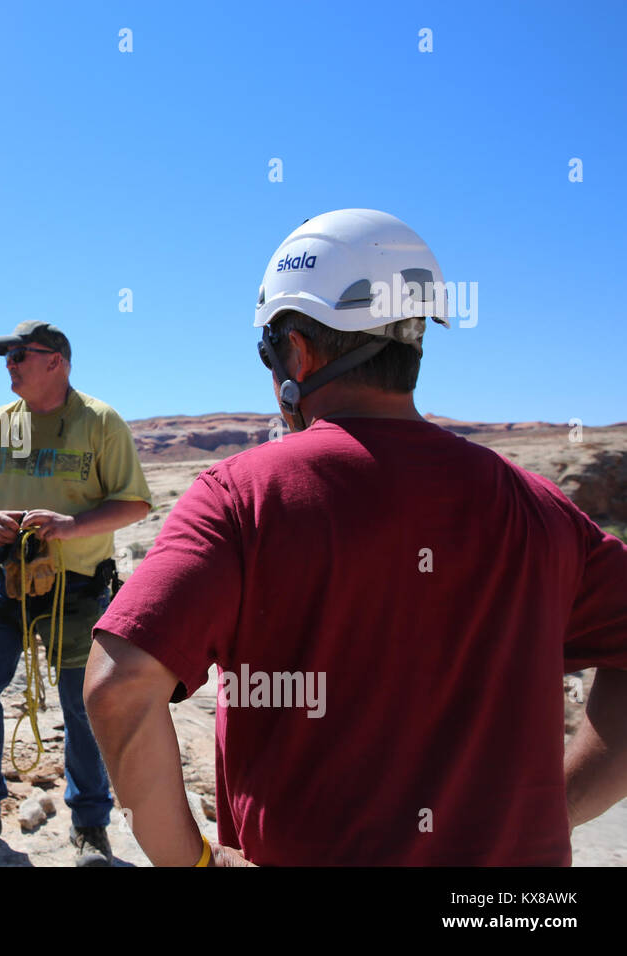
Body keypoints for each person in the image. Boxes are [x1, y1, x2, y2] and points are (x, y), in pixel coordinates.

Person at [84, 208, 627, 866]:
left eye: (268, 351)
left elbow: (118, 684)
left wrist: (193, 862)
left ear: (298, 352)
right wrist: (551, 811)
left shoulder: (243, 497)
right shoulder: (539, 508)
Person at [0, 320, 152, 866]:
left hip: (78, 590)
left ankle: (90, 826)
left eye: (21, 355)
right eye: (8, 356)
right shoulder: (0, 423)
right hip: (10, 582)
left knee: (83, 706)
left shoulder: (100, 422)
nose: (11, 364)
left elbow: (135, 504)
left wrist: (71, 526)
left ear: (57, 362)